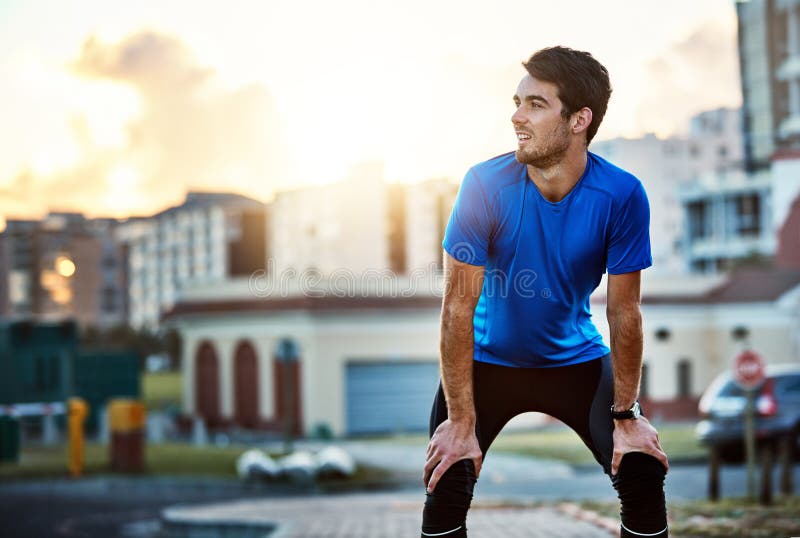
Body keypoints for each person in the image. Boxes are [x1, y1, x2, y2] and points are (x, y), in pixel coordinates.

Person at [420, 46, 670, 538]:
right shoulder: (484, 185)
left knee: (641, 471)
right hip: (485, 364)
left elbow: (625, 315)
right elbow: (457, 310)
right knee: (447, 476)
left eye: (535, 104)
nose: (516, 116)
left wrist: (627, 415)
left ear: (579, 119)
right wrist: (461, 419)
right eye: (517, 102)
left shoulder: (620, 195)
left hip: (574, 362)